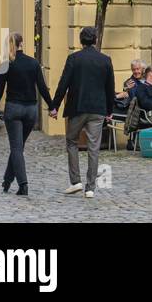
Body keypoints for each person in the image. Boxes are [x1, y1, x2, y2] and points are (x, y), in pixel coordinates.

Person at [49, 27, 117, 197]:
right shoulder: (105, 60)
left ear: (81, 41)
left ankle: (76, 181)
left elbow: (63, 84)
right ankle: (91, 188)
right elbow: (110, 88)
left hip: (77, 108)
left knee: (72, 141)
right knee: (94, 147)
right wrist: (110, 110)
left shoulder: (74, 59)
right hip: (98, 109)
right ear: (95, 40)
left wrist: (54, 106)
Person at [0, 32, 52, 196]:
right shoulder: (33, 63)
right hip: (31, 111)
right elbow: (42, 87)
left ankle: (23, 185)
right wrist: (52, 106)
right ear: (22, 44)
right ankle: (7, 181)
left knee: (16, 148)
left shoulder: (6, 64)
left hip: (14, 109)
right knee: (18, 147)